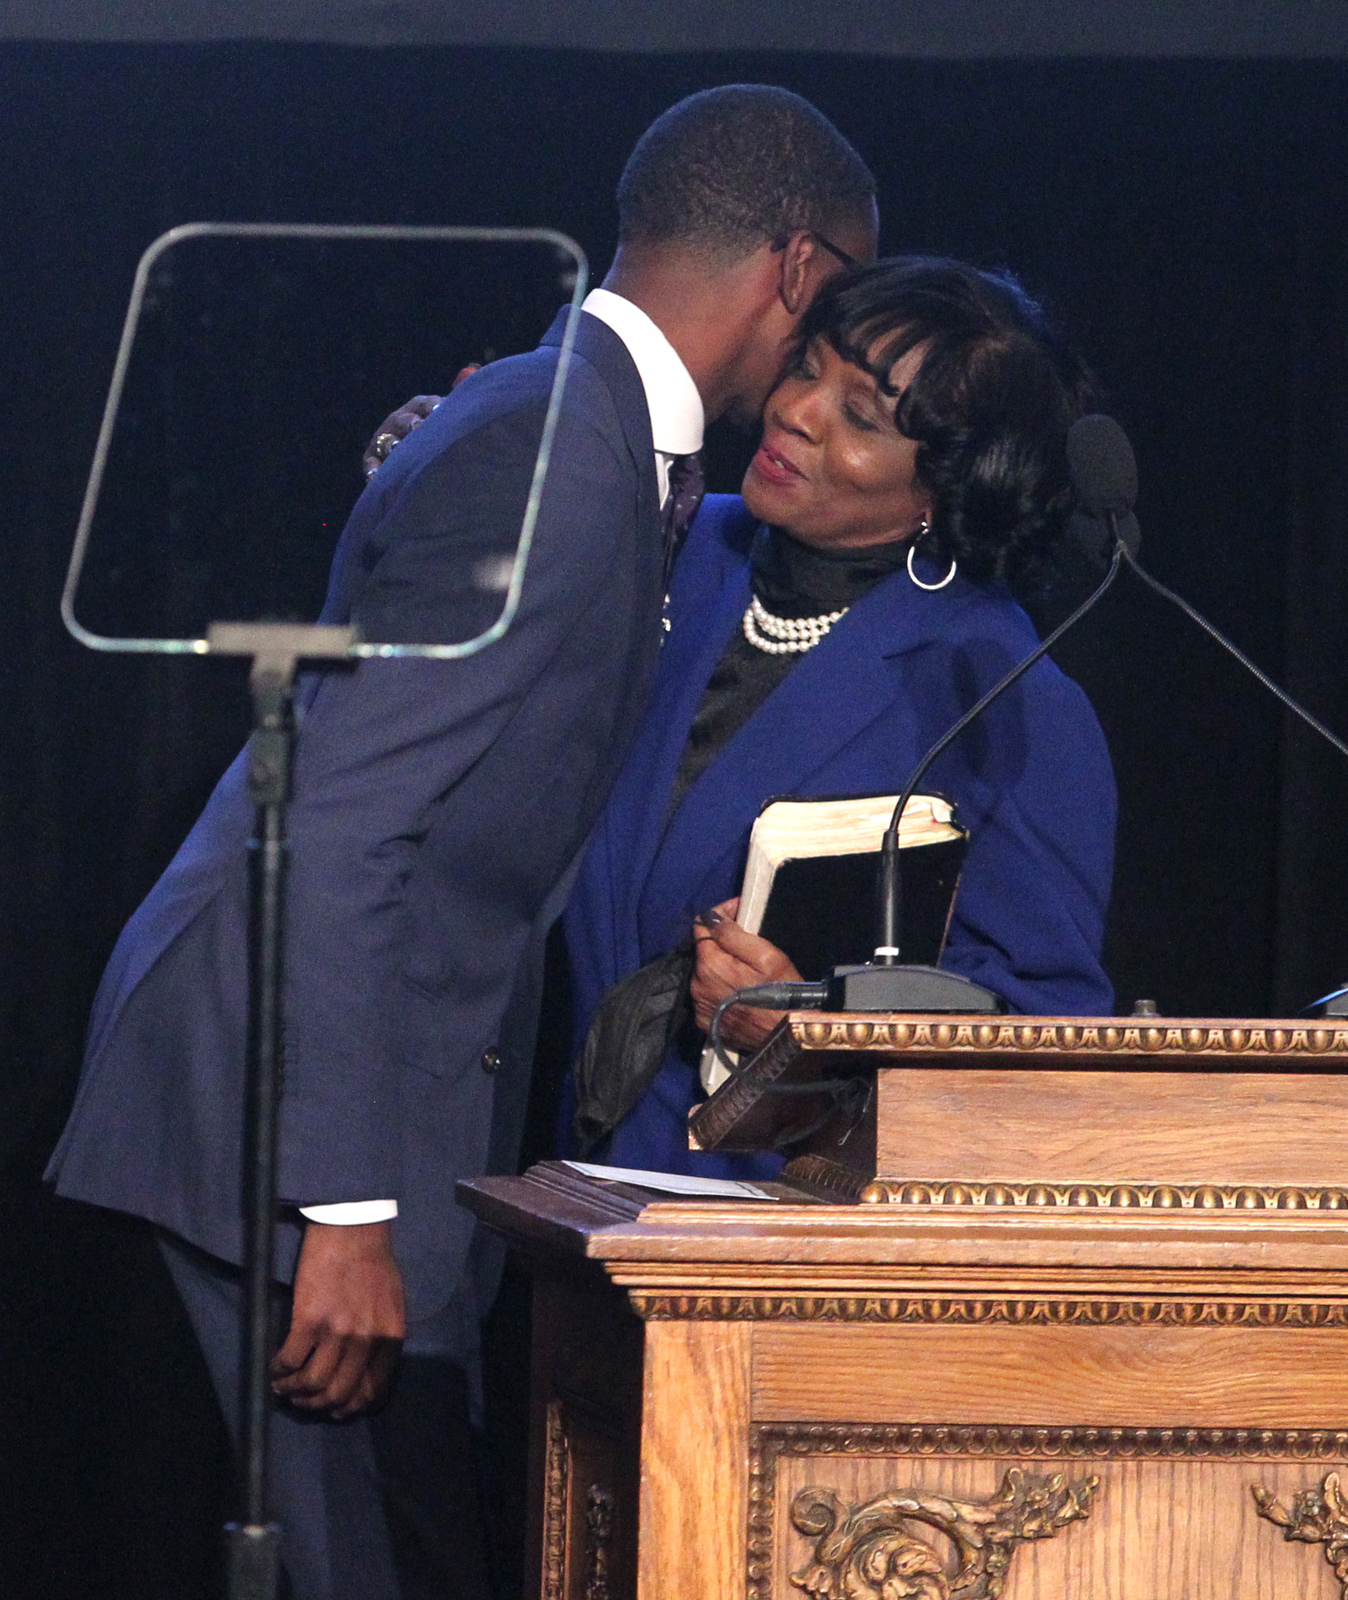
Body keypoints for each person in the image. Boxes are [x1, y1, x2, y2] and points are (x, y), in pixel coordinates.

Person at [45, 86, 878, 1600]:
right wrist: (345, 1210)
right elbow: (347, 830)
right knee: (358, 1561)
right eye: (833, 321)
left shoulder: (573, 426)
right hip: (297, 1117)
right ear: (799, 270)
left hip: (366, 1095)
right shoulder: (555, 443)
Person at [561, 256, 1117, 1180]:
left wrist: (817, 1041)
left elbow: (1047, 1030)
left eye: (860, 417)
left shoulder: (999, 691)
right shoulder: (677, 542)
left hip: (778, 1226)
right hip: (559, 1191)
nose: (797, 410)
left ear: (941, 492)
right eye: (806, 367)